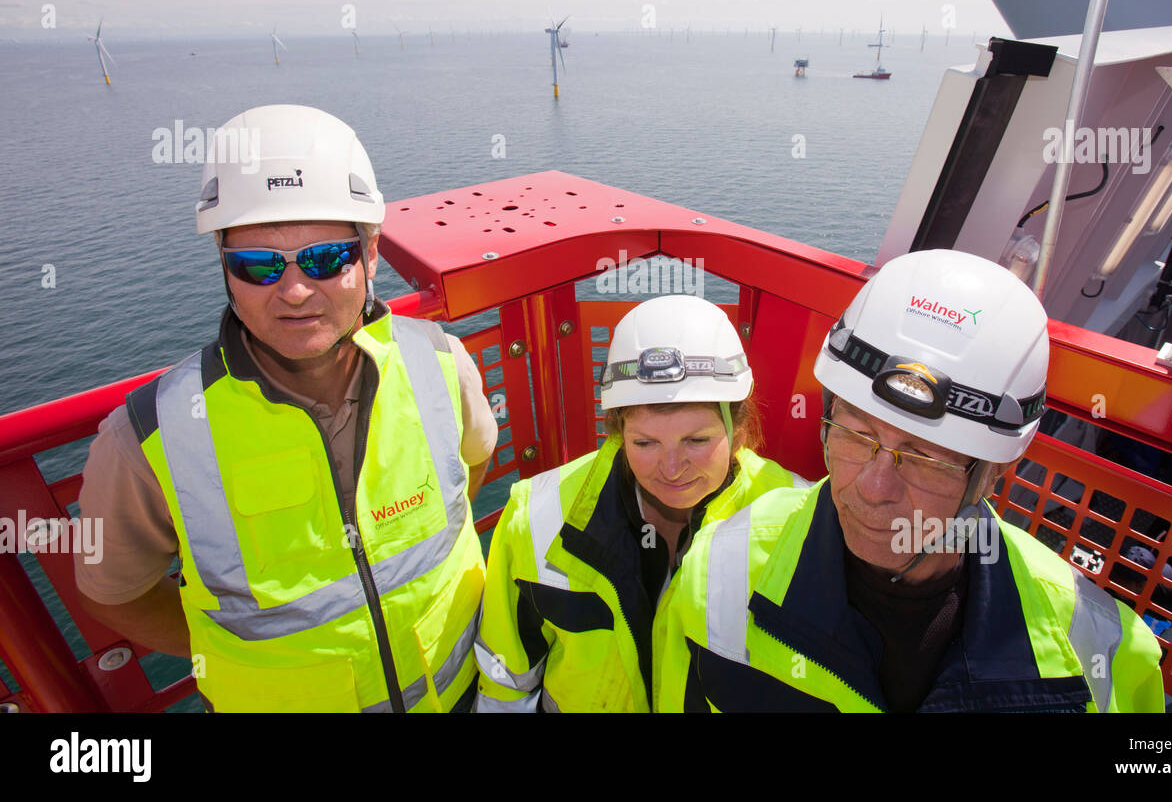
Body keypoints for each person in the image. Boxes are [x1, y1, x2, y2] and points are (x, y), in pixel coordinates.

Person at [74, 104, 497, 712]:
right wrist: (231, 656)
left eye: (327, 259)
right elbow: (114, 593)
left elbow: (471, 469)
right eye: (258, 265)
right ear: (223, 267)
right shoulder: (149, 437)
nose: (295, 291)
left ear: (371, 254)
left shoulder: (439, 362)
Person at [656, 249, 1164, 712]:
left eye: (925, 459)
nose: (873, 490)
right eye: (856, 435)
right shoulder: (719, 571)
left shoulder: (1098, 651)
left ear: (992, 474)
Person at [474, 294, 811, 712]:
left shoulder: (802, 522)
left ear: (738, 428)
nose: (671, 469)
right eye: (645, 443)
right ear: (617, 432)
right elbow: (505, 680)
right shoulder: (537, 515)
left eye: (697, 440)